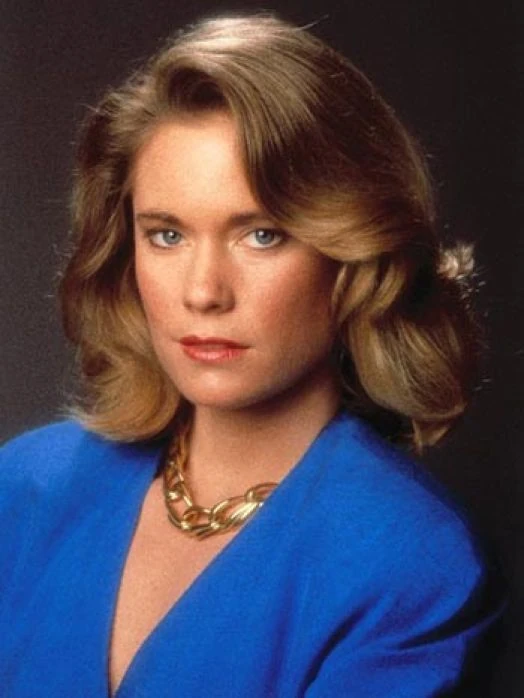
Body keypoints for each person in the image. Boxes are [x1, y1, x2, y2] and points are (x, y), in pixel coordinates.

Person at [0, 12, 503, 697]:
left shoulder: (411, 565)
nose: (203, 292)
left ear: (351, 255)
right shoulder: (24, 489)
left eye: (262, 234)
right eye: (167, 235)